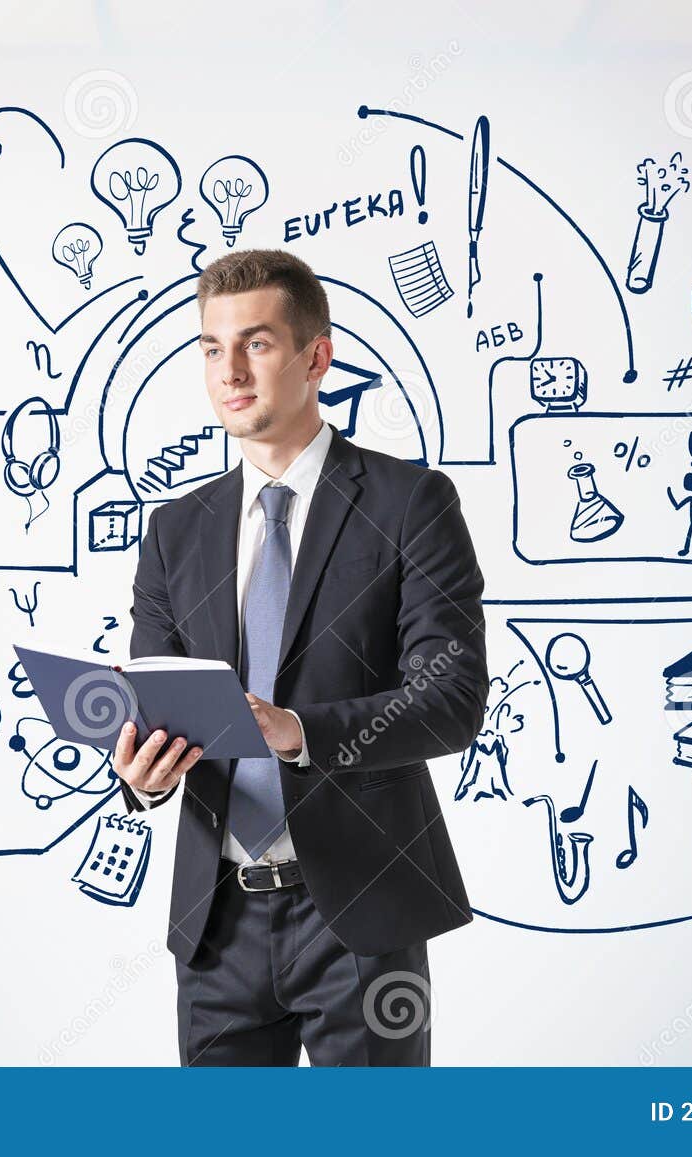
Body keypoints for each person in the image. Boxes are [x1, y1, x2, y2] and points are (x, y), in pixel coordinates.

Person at [116, 248, 487, 1066]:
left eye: (257, 343)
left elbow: (452, 694)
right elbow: (160, 700)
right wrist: (142, 771)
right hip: (215, 924)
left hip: (360, 910)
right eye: (212, 348)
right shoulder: (175, 531)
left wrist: (297, 730)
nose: (230, 371)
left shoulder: (410, 503)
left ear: (316, 356)